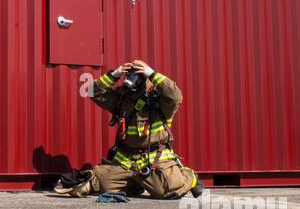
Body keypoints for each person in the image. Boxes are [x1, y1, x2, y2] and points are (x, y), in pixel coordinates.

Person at [54, 59, 202, 200]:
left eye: (137, 75)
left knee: (166, 191)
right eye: (130, 74)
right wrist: (114, 75)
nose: (132, 78)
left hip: (154, 161)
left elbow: (175, 96)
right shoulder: (122, 99)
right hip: (126, 162)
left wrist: (151, 73)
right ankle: (135, 184)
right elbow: (92, 91)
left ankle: (189, 176)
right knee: (104, 183)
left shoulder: (160, 102)